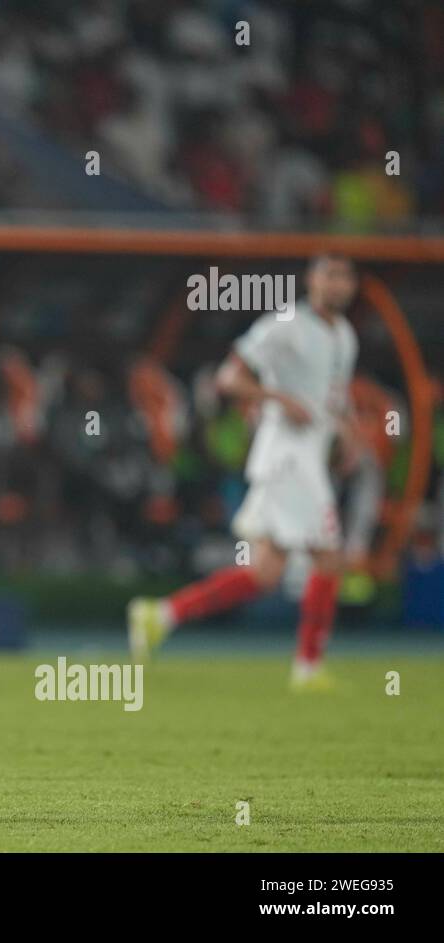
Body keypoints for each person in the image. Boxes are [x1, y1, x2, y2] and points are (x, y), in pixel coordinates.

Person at [128, 255, 361, 691]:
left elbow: (332, 398)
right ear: (311, 280)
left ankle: (161, 615)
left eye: (346, 276)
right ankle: (308, 667)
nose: (338, 284)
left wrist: (347, 432)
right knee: (329, 556)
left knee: (266, 574)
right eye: (330, 274)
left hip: (307, 458)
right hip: (285, 458)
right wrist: (278, 397)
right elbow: (229, 378)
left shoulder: (345, 337)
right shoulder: (285, 325)